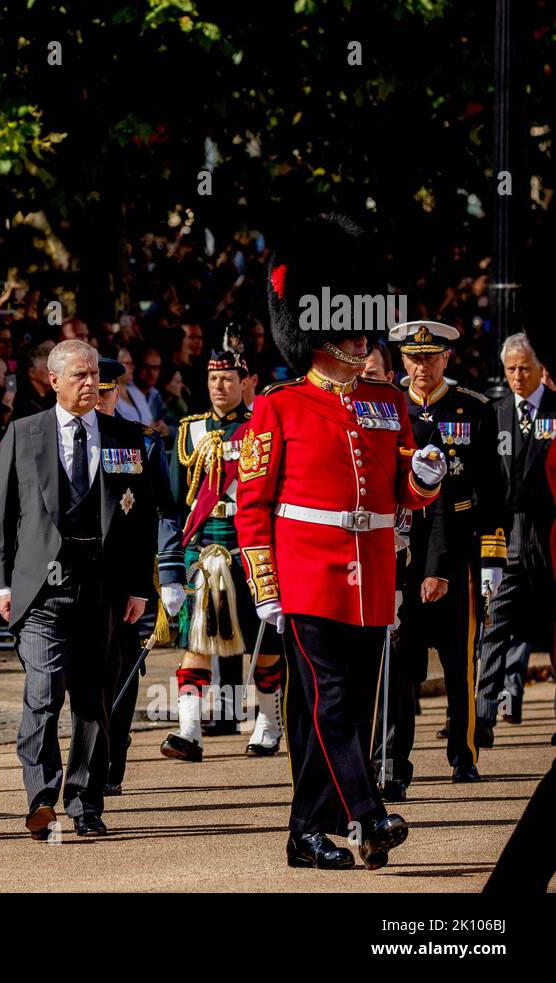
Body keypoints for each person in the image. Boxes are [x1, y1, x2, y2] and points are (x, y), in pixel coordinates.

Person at [235, 214, 447, 871]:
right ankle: (366, 811)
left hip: (373, 577)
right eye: (351, 332)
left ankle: (308, 832)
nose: (364, 341)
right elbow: (253, 504)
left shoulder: (387, 401)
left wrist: (424, 477)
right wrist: (266, 588)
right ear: (319, 335)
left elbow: (400, 494)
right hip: (306, 575)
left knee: (331, 710)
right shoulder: (280, 405)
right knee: (331, 702)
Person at [0, 340, 158, 839]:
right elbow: (1, 516)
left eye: (95, 376)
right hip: (41, 591)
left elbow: (140, 518)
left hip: (102, 589)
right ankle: (41, 798)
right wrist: (1, 584)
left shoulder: (125, 436)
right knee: (42, 693)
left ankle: (86, 801)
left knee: (93, 701)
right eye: (80, 375)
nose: (90, 383)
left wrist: (138, 586)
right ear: (54, 380)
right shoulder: (23, 434)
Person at [372, 321, 506, 796]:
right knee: (399, 667)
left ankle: (464, 755)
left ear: (446, 358)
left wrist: (491, 557)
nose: (421, 367)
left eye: (430, 357)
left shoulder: (473, 408)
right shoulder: (388, 408)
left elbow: (492, 488)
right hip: (401, 551)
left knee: (458, 663)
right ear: (403, 361)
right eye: (413, 358)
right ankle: (392, 762)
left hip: (458, 551)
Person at [163, 331, 284, 762]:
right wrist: (170, 566)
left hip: (250, 550)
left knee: (263, 645)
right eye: (214, 379)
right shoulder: (189, 430)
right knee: (196, 643)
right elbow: (175, 503)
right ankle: (189, 732)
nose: (219, 386)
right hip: (204, 553)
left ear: (246, 381)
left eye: (228, 378)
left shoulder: (260, 428)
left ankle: (268, 727)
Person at [95, 359, 184, 797]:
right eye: (94, 388)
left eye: (107, 390)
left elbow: (166, 509)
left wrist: (170, 572)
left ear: (118, 393)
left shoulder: (142, 444)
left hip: (129, 575)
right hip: (78, 574)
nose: (99, 398)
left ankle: (113, 757)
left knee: (123, 668)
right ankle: (87, 755)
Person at [475, 332, 556, 734]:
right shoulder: (495, 412)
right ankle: (483, 719)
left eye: (525, 368)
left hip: (549, 532)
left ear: (541, 369)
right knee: (492, 627)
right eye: (511, 369)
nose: (518, 376)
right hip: (505, 535)